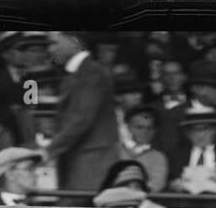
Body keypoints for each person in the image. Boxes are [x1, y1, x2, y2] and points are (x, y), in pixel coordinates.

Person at [42, 31, 121, 194]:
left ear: (73, 41)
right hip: (79, 162)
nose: (50, 49)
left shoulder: (91, 72)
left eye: (54, 43)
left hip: (92, 163)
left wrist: (49, 150)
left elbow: (82, 118)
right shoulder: (77, 73)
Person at [117, 104, 169, 193]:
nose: (144, 132)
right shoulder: (114, 150)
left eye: (150, 128)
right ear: (128, 127)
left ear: (155, 130)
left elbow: (157, 185)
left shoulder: (158, 157)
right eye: (139, 127)